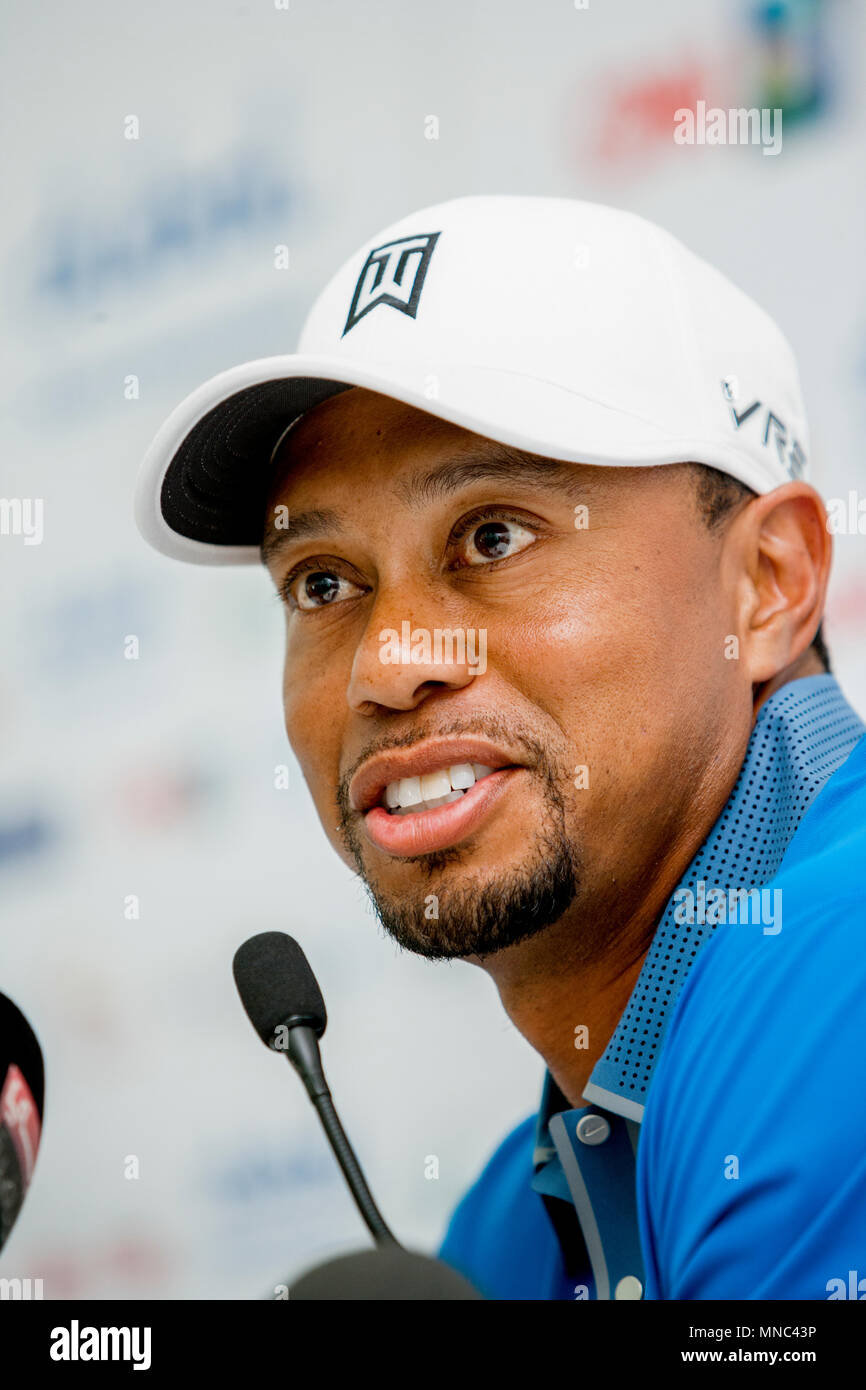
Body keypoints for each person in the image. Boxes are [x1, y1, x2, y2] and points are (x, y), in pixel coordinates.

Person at [136, 196, 866, 1300]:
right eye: (322, 583)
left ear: (767, 585)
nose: (387, 663)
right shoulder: (508, 1225)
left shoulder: (838, 978)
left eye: (491, 535)